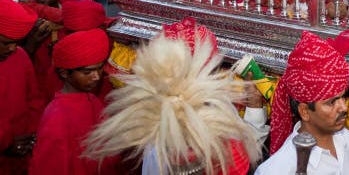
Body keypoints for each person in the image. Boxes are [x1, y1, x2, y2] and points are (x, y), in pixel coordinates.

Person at [84, 19, 261, 174]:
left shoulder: (157, 114)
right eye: (212, 67)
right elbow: (245, 155)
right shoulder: (188, 121)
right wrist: (254, 110)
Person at [255, 31, 349, 175]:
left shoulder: (346, 138)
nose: (344, 107)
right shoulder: (279, 169)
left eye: (343, 97)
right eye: (332, 102)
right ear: (305, 111)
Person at [29, 29, 110, 175]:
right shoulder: (57, 117)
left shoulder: (92, 100)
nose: (97, 77)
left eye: (99, 69)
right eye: (87, 72)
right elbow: (49, 168)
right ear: (64, 73)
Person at [0, 0, 45, 173]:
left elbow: (34, 99)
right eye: (6, 43)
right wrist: (6, 143)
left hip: (21, 156)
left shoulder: (20, 56)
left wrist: (31, 138)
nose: (12, 48)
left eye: (16, 43)